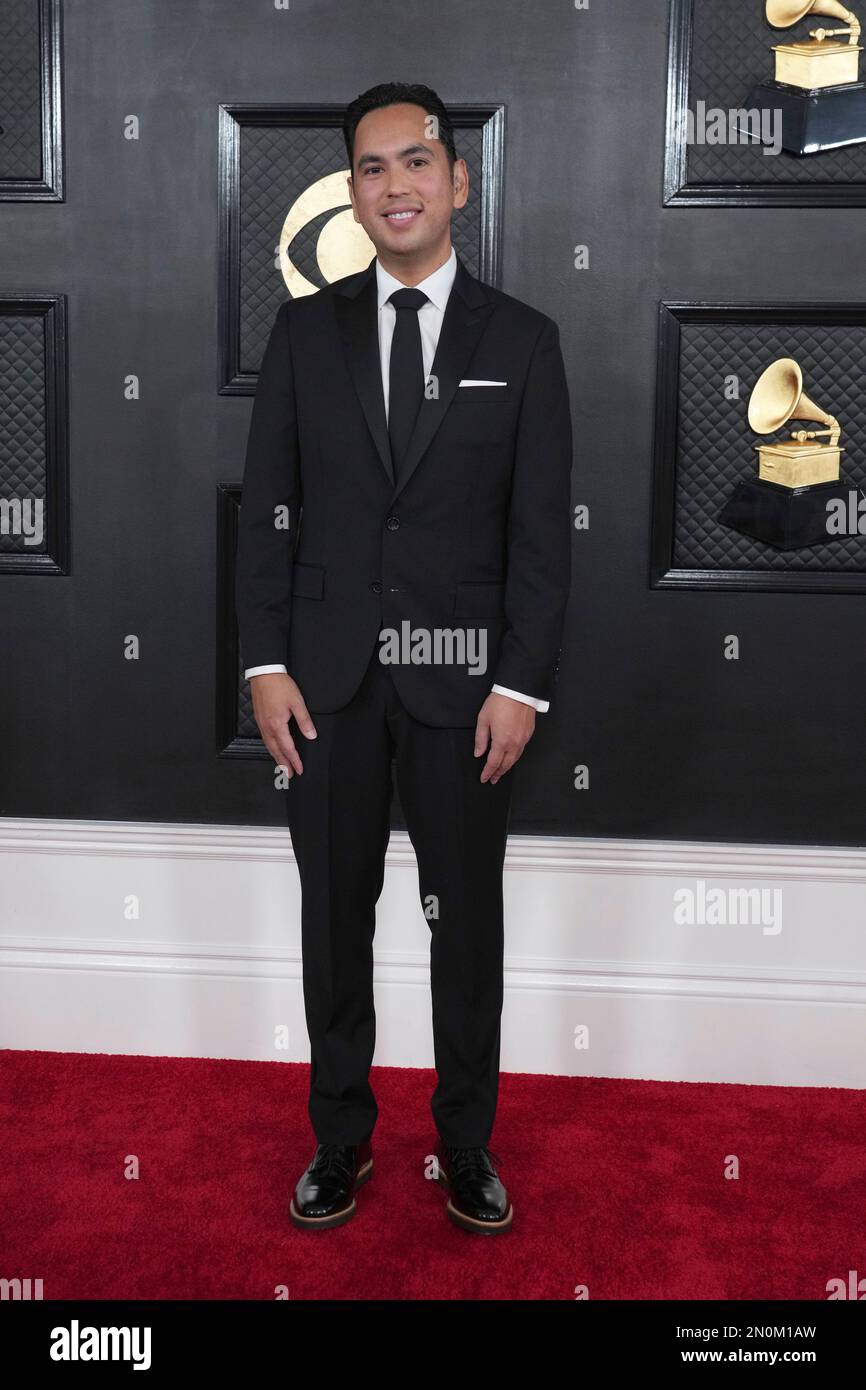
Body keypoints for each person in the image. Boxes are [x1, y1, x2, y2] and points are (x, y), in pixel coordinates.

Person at [235, 81, 572, 1235]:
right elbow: (266, 510)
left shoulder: (523, 341)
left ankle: (464, 1146)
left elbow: (538, 534)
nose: (395, 185)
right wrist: (261, 664)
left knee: (461, 922)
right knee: (333, 918)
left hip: (466, 689)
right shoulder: (301, 331)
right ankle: (339, 1142)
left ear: (456, 181)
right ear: (351, 190)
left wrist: (519, 682)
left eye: (416, 162)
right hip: (319, 688)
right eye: (372, 168)